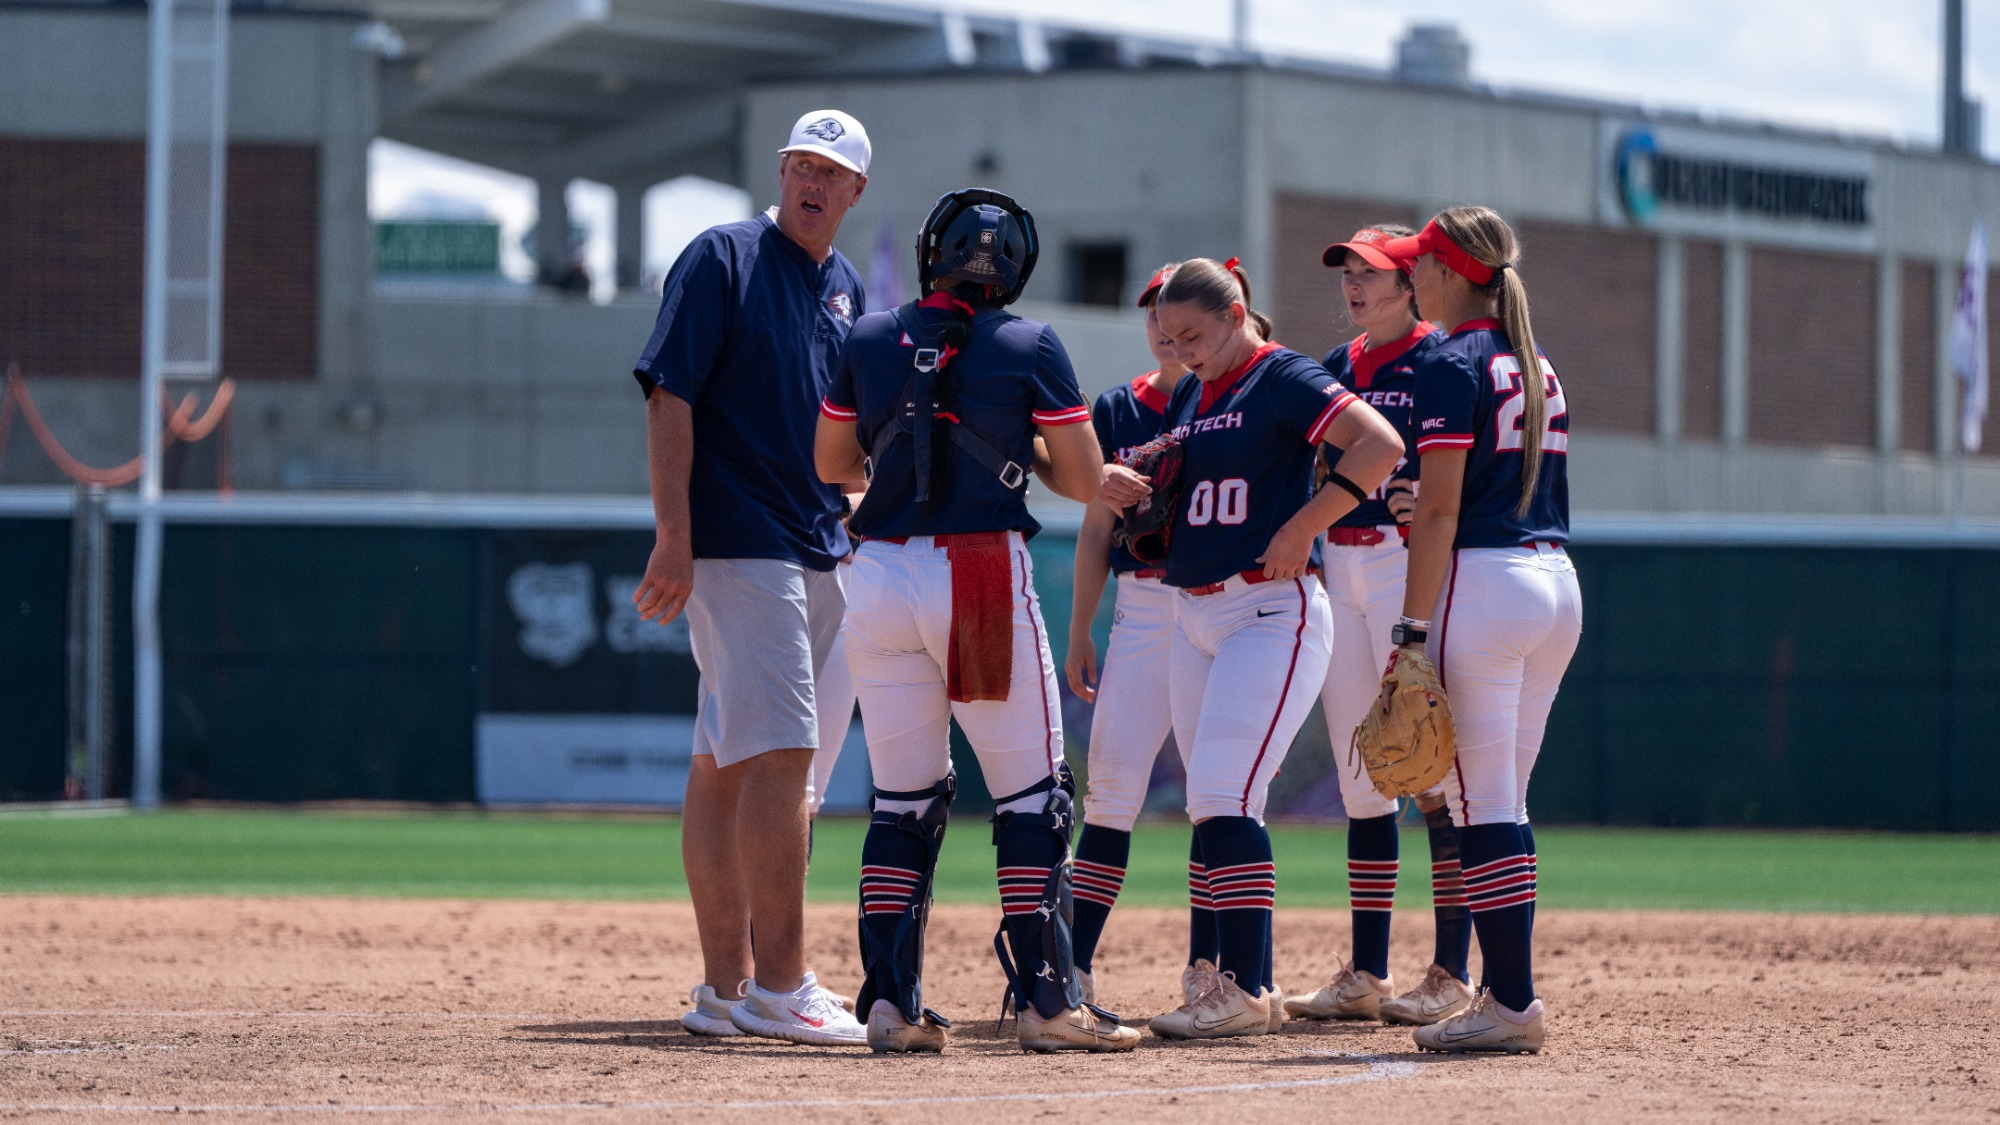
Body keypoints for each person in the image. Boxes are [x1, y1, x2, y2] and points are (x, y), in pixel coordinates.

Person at [814, 188, 1141, 1055]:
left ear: (932, 253)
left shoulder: (871, 336)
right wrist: (1008, 443)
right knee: (1033, 794)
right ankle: (1047, 1001)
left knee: (902, 799)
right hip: (981, 576)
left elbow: (829, 461)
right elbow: (1081, 478)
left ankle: (889, 1003)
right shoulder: (1031, 342)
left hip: (878, 572)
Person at [1098, 257, 1404, 1040]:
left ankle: (1242, 989)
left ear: (1237, 314)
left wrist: (1307, 523)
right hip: (1193, 617)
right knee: (1217, 801)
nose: (1183, 350)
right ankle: (1243, 981)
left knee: (1223, 793)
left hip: (1272, 611)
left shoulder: (1283, 376)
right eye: (1170, 337)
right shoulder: (1200, 392)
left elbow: (1378, 444)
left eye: (1194, 334)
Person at [630, 109, 874, 1047]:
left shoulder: (846, 287)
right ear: (781, 171)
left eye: (832, 171)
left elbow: (836, 441)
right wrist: (674, 534)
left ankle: (726, 989)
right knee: (784, 755)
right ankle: (783, 984)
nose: (813, 181)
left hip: (817, 540)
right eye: (801, 164)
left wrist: (867, 494)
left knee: (723, 762)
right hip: (739, 540)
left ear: (856, 192)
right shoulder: (722, 256)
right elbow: (669, 393)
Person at [1380, 206, 1581, 1054]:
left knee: (1478, 803)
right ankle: (1506, 990)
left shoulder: (1446, 357)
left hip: (1485, 585)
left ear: (1456, 274)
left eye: (1421, 262)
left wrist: (1410, 631)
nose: (1411, 275)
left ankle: (1513, 1004)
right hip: (1556, 587)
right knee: (1503, 799)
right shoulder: (1534, 360)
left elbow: (1442, 511)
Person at [1283, 227, 1477, 1028]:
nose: (1355, 285)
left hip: (1406, 567)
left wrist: (1420, 509)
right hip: (1343, 567)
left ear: (1411, 282)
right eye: (1349, 274)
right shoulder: (1337, 368)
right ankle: (1366, 971)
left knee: (1433, 773)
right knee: (1366, 778)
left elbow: (1455, 479)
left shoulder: (1440, 361)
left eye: (1372, 273)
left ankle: (1451, 972)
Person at [1060, 263, 1188, 1002]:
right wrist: (1081, 627)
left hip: (1219, 602)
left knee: (1222, 794)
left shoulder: (1236, 395)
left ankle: (1224, 973)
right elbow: (1096, 529)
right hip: (1142, 607)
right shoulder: (1118, 406)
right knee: (1109, 792)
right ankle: (1071, 966)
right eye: (1152, 313)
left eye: (1175, 313)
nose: (1163, 327)